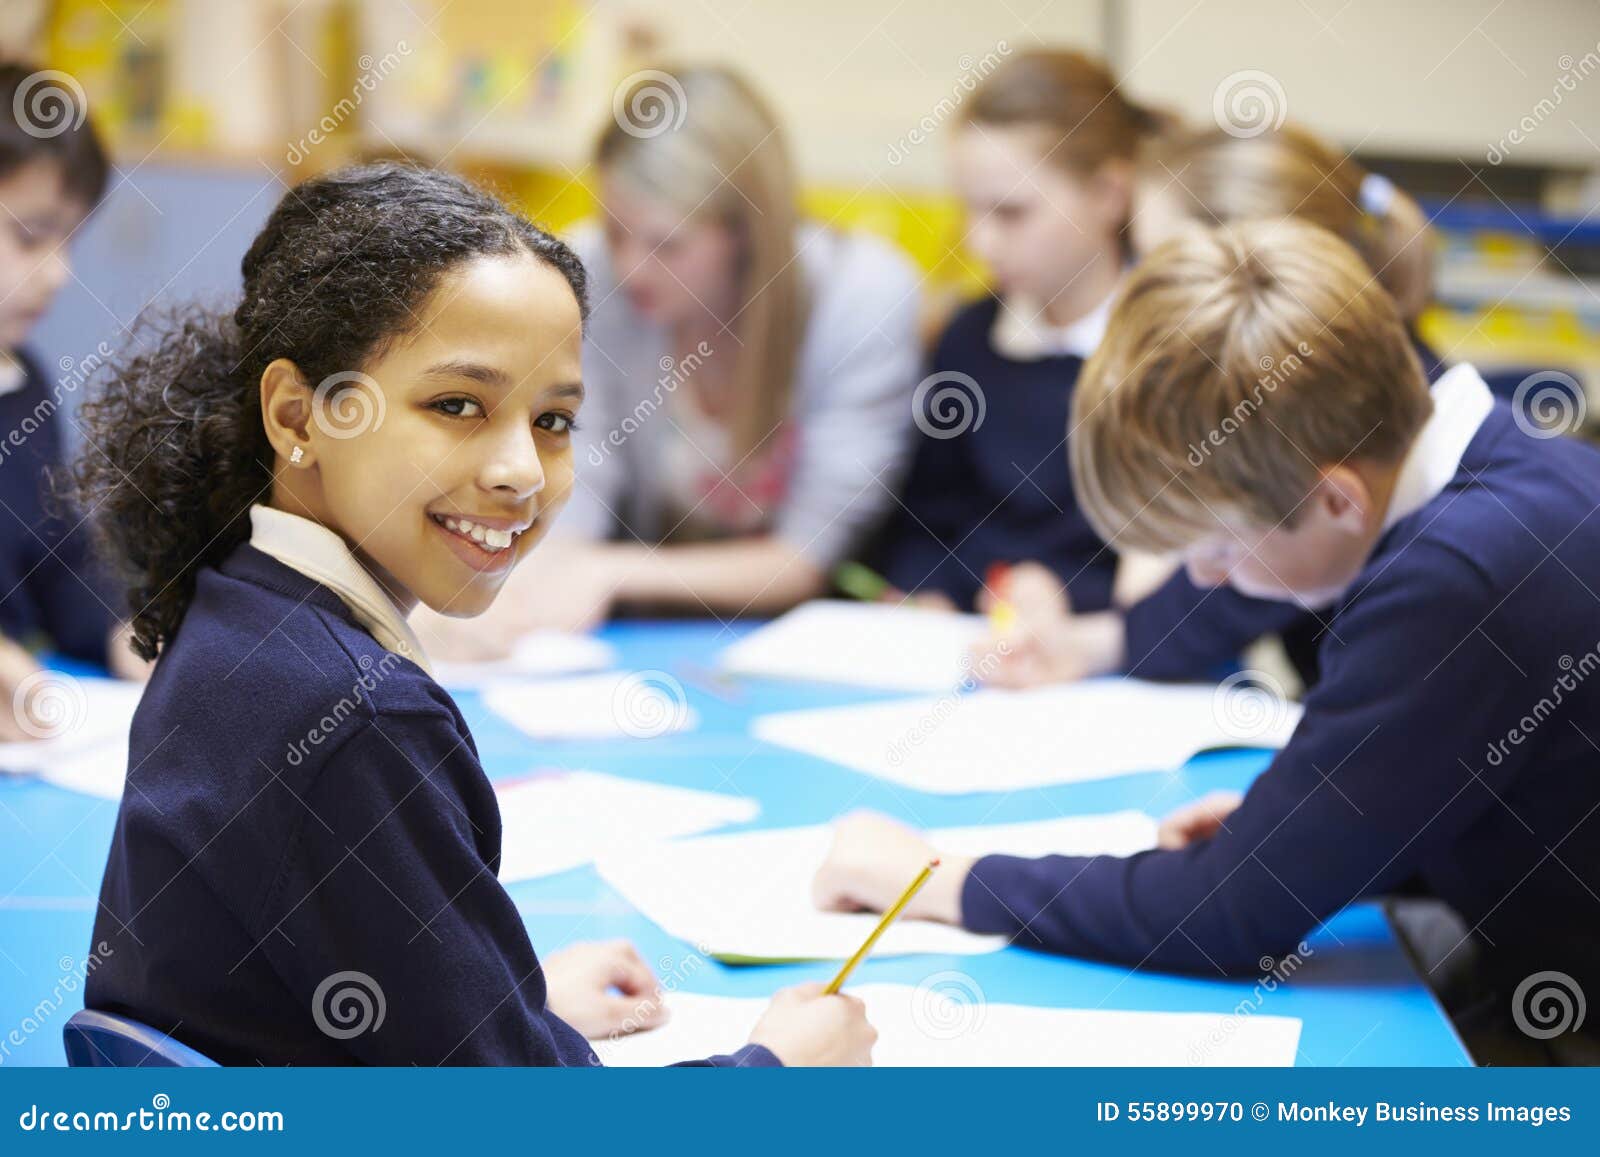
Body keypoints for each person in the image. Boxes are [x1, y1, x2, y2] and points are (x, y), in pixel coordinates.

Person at [75, 162, 874, 1067]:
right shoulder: (356, 718)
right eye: (457, 405)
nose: (522, 472)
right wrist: (776, 1075)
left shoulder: (240, 608)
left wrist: (505, 1003)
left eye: (553, 420)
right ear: (299, 416)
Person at [813, 218, 1600, 1064]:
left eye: (1220, 547)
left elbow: (1232, 918)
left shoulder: (1456, 573)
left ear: (1336, 500)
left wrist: (940, 880)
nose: (1211, 579)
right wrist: (1328, 829)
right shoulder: (1506, 466)